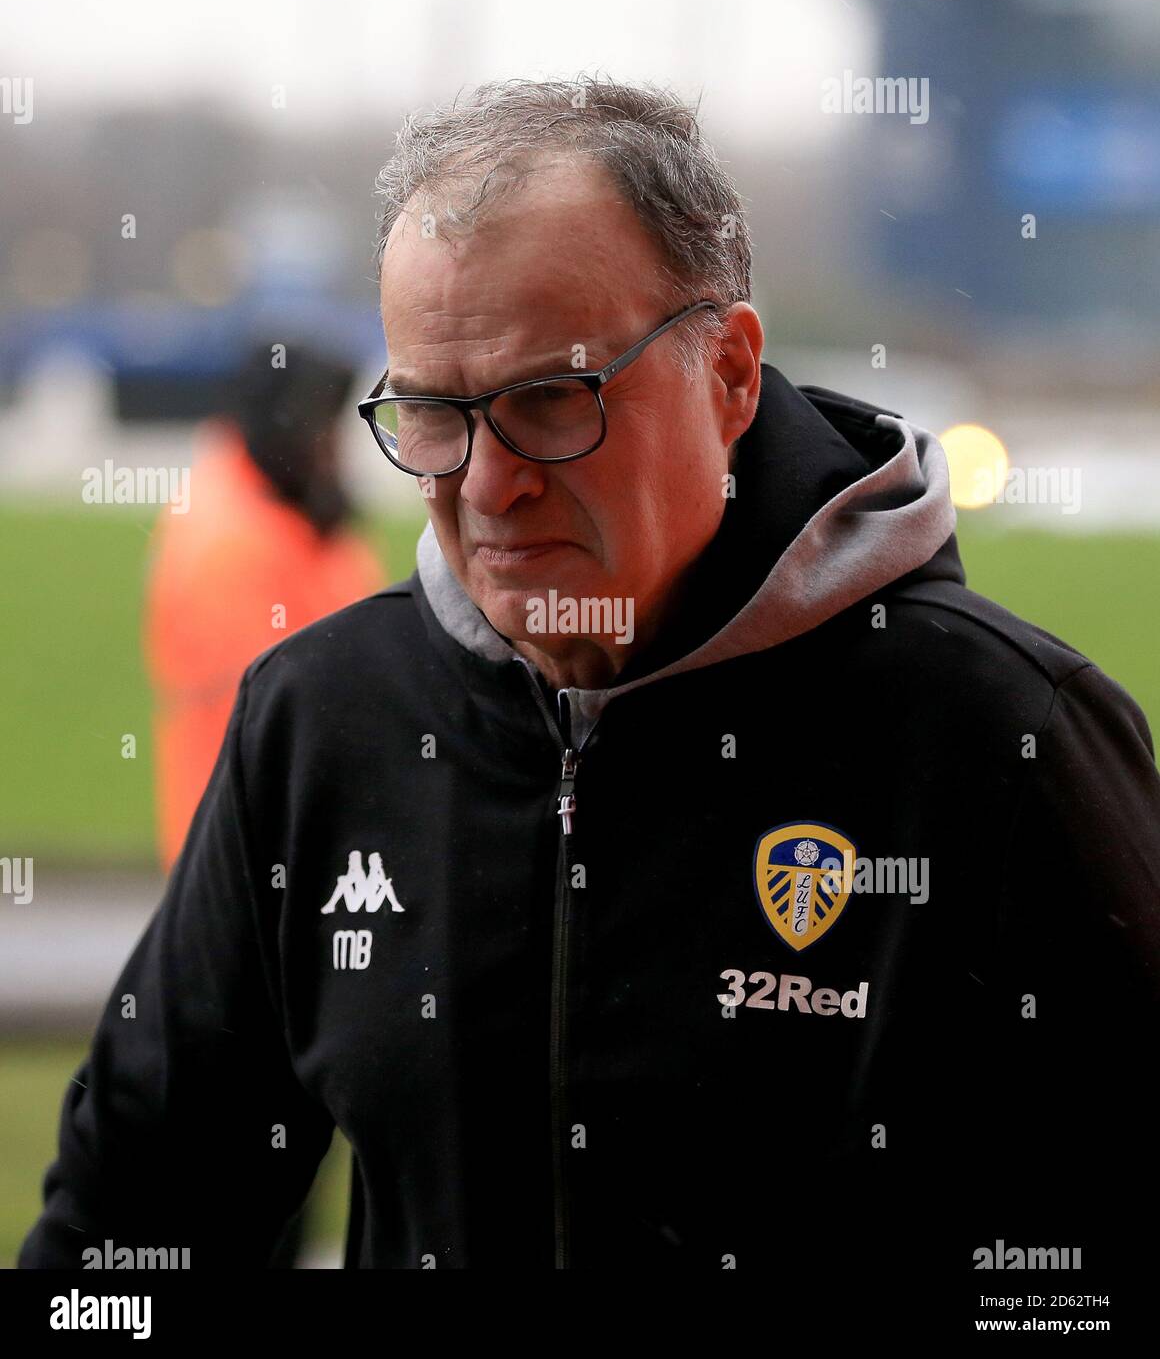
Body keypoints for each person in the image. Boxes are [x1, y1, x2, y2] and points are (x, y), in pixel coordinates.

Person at [20, 75, 1160, 1283]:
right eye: (432, 414)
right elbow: (135, 1220)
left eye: (549, 400)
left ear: (726, 373)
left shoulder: (1001, 738)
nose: (484, 483)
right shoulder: (322, 720)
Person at [144, 341, 383, 871]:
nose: (334, 449)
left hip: (276, 847)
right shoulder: (232, 542)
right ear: (289, 431)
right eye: (325, 430)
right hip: (249, 856)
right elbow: (289, 721)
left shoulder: (288, 509)